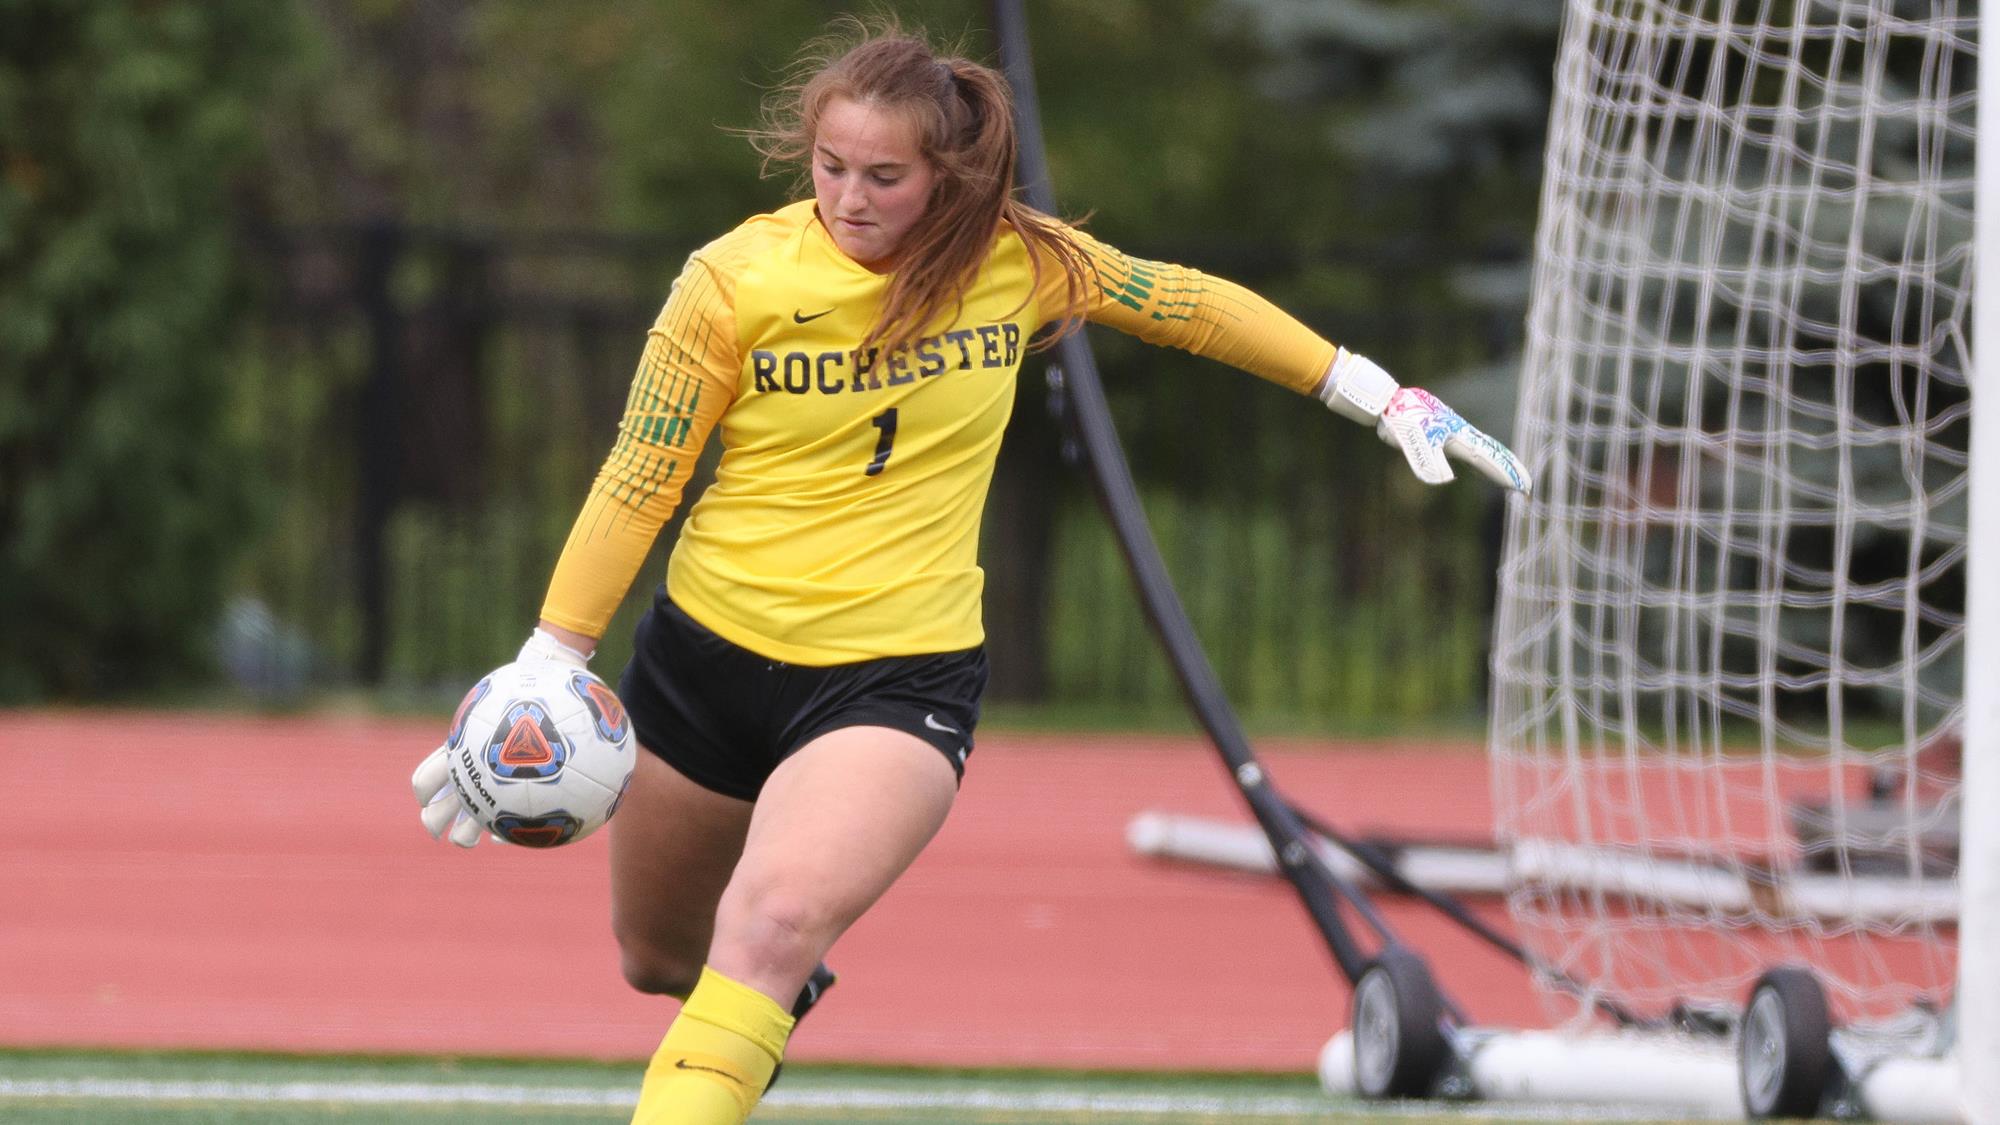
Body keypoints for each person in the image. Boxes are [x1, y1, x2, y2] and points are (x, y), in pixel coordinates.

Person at [410, 17, 1529, 1125]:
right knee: (658, 961)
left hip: (892, 681)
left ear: (946, 177)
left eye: (884, 175)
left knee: (769, 921)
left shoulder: (1021, 261)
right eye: (829, 166)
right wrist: (550, 658)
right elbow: (639, 473)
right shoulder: (731, 281)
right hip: (701, 663)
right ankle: (758, 1002)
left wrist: (1377, 394)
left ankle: (749, 1001)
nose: (849, 197)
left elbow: (1184, 304)